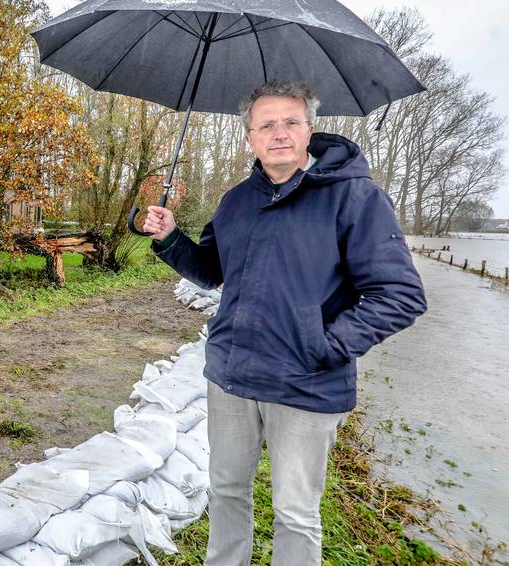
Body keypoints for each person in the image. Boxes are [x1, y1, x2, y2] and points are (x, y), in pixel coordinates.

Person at [143, 81, 427, 565]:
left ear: (309, 131)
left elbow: (400, 295)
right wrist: (172, 239)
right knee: (227, 490)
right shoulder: (236, 202)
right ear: (250, 138)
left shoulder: (354, 198)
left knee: (295, 512)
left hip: (306, 383)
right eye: (266, 125)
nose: (279, 133)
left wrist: (324, 346)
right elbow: (212, 272)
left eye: (290, 122)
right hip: (232, 376)